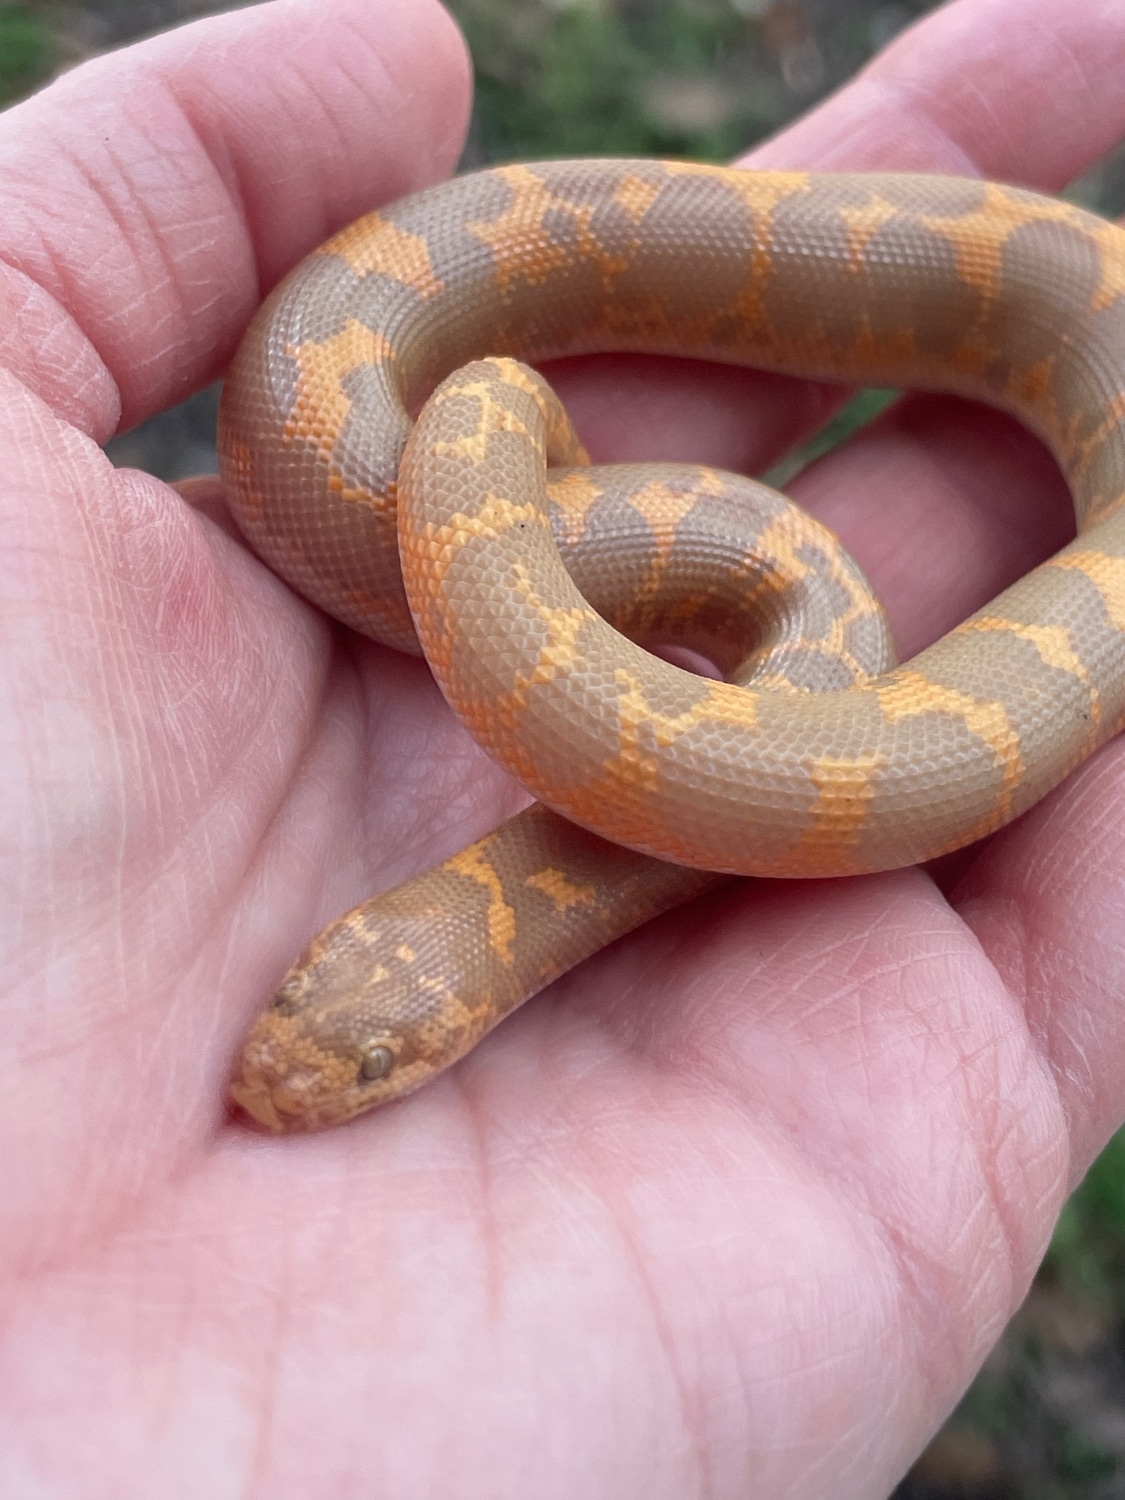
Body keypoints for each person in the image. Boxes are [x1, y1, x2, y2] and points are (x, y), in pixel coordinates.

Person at [3, 0, 1123, 1493]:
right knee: (470, 438)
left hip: (561, 506)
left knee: (480, 436)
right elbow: (481, 422)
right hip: (543, 516)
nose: (292, 1074)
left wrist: (495, 429)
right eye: (361, 1047)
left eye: (362, 1045)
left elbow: (488, 422)